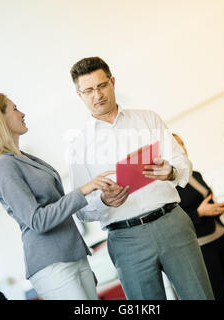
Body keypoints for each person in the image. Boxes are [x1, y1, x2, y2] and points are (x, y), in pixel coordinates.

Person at [67, 56, 214, 300]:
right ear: (79, 95)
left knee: (200, 297)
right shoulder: (78, 146)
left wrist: (171, 172)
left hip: (171, 223)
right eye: (89, 90)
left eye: (102, 86)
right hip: (125, 240)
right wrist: (104, 201)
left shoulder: (148, 119)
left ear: (113, 82)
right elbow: (82, 210)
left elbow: (182, 164)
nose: (98, 95)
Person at [0, 93, 117, 300]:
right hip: (52, 265)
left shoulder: (26, 158)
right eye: (15, 109)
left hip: (73, 256)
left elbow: (57, 205)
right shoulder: (3, 166)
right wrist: (83, 191)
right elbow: (37, 220)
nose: (22, 113)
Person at [172, 133, 224, 300]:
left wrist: (217, 208)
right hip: (202, 247)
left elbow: (206, 200)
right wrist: (199, 213)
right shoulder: (167, 187)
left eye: (183, 143)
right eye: (176, 146)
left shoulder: (195, 174)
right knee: (218, 294)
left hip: (223, 237)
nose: (182, 148)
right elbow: (174, 223)